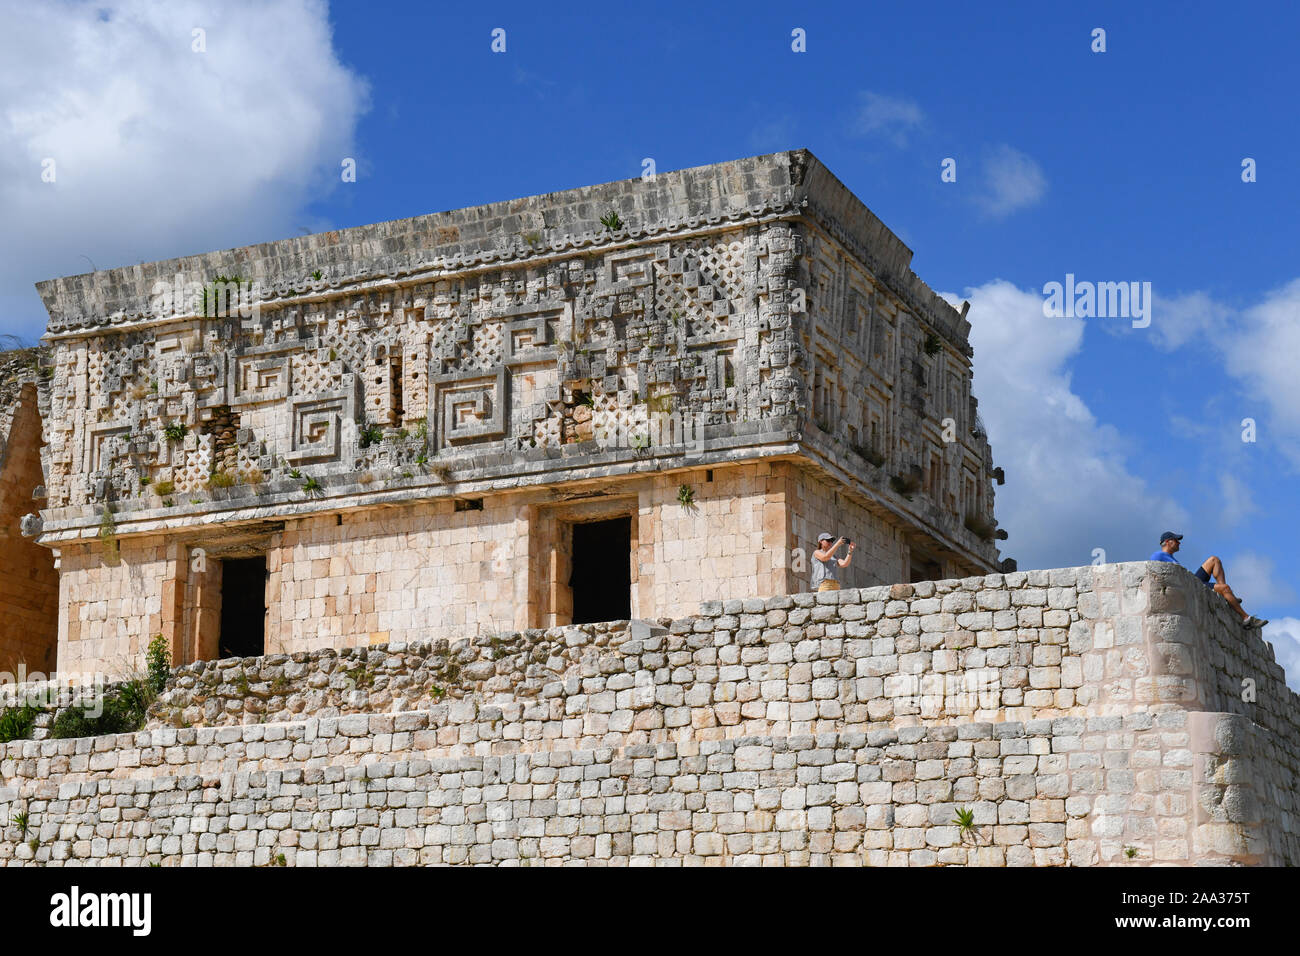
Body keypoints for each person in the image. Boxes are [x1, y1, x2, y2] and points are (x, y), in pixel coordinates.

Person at [1149, 531, 1268, 628]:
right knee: (1225, 588)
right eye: (1176, 540)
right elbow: (1154, 573)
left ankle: (1225, 595)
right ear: (1167, 542)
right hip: (1189, 587)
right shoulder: (1158, 555)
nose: (1179, 543)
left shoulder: (1171, 558)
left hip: (1190, 582)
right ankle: (1246, 618)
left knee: (1214, 560)